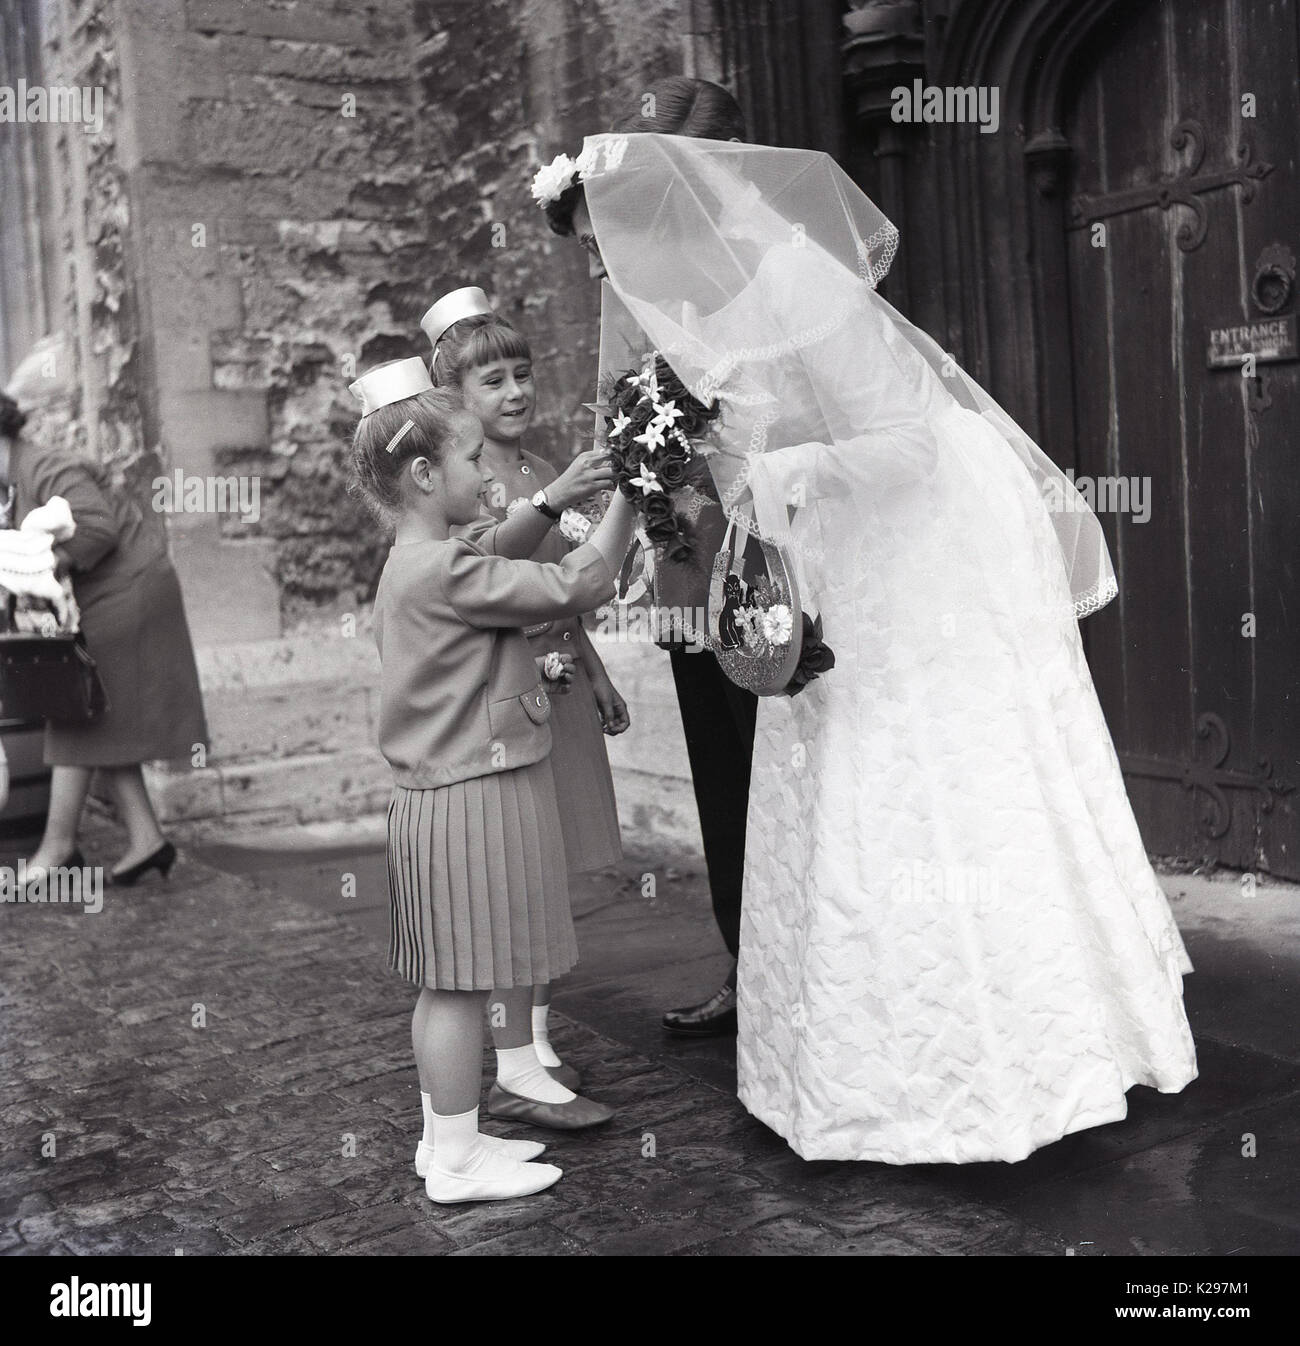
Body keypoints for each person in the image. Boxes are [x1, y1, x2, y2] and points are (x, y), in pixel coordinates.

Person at [542, 129, 1198, 1163]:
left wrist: (757, 469)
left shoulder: (797, 281)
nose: (600, 267)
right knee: (834, 775)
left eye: (603, 242)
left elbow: (910, 443)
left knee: (928, 776)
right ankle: (843, 1062)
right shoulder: (693, 317)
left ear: (669, 221)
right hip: (846, 551)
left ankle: (1014, 1055)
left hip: (921, 558)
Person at [350, 357, 637, 1201]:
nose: (489, 476)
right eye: (473, 461)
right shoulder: (443, 572)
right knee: (457, 985)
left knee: (456, 982)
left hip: (447, 792)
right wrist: (635, 493)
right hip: (467, 793)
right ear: (424, 474)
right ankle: (457, 1161)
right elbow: (580, 579)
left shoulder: (422, 557)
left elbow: (495, 542)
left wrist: (548, 504)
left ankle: (450, 1144)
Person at [540, 78, 756, 1038]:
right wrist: (611, 542)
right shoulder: (624, 290)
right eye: (585, 242)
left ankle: (812, 963)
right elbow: (617, 421)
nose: (595, 261)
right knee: (719, 766)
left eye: (600, 239)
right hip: (680, 564)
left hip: (773, 554)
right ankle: (744, 963)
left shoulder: (765, 270)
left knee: (780, 759)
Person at [423, 286, 628, 1096]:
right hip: (506, 691)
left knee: (555, 869)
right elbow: (489, 563)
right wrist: (554, 502)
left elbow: (564, 586)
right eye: (492, 381)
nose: (515, 392)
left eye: (523, 372)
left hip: (564, 680)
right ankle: (515, 1056)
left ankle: (536, 1038)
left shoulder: (546, 467)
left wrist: (602, 674)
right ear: (454, 399)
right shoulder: (460, 480)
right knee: (517, 874)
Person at [0, 390, 207, 886]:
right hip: (109, 596)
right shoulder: (17, 478)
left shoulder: (46, 466)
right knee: (102, 719)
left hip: (127, 594)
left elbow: (96, 531)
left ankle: (57, 849)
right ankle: (146, 841)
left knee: (76, 712)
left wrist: (32, 570)